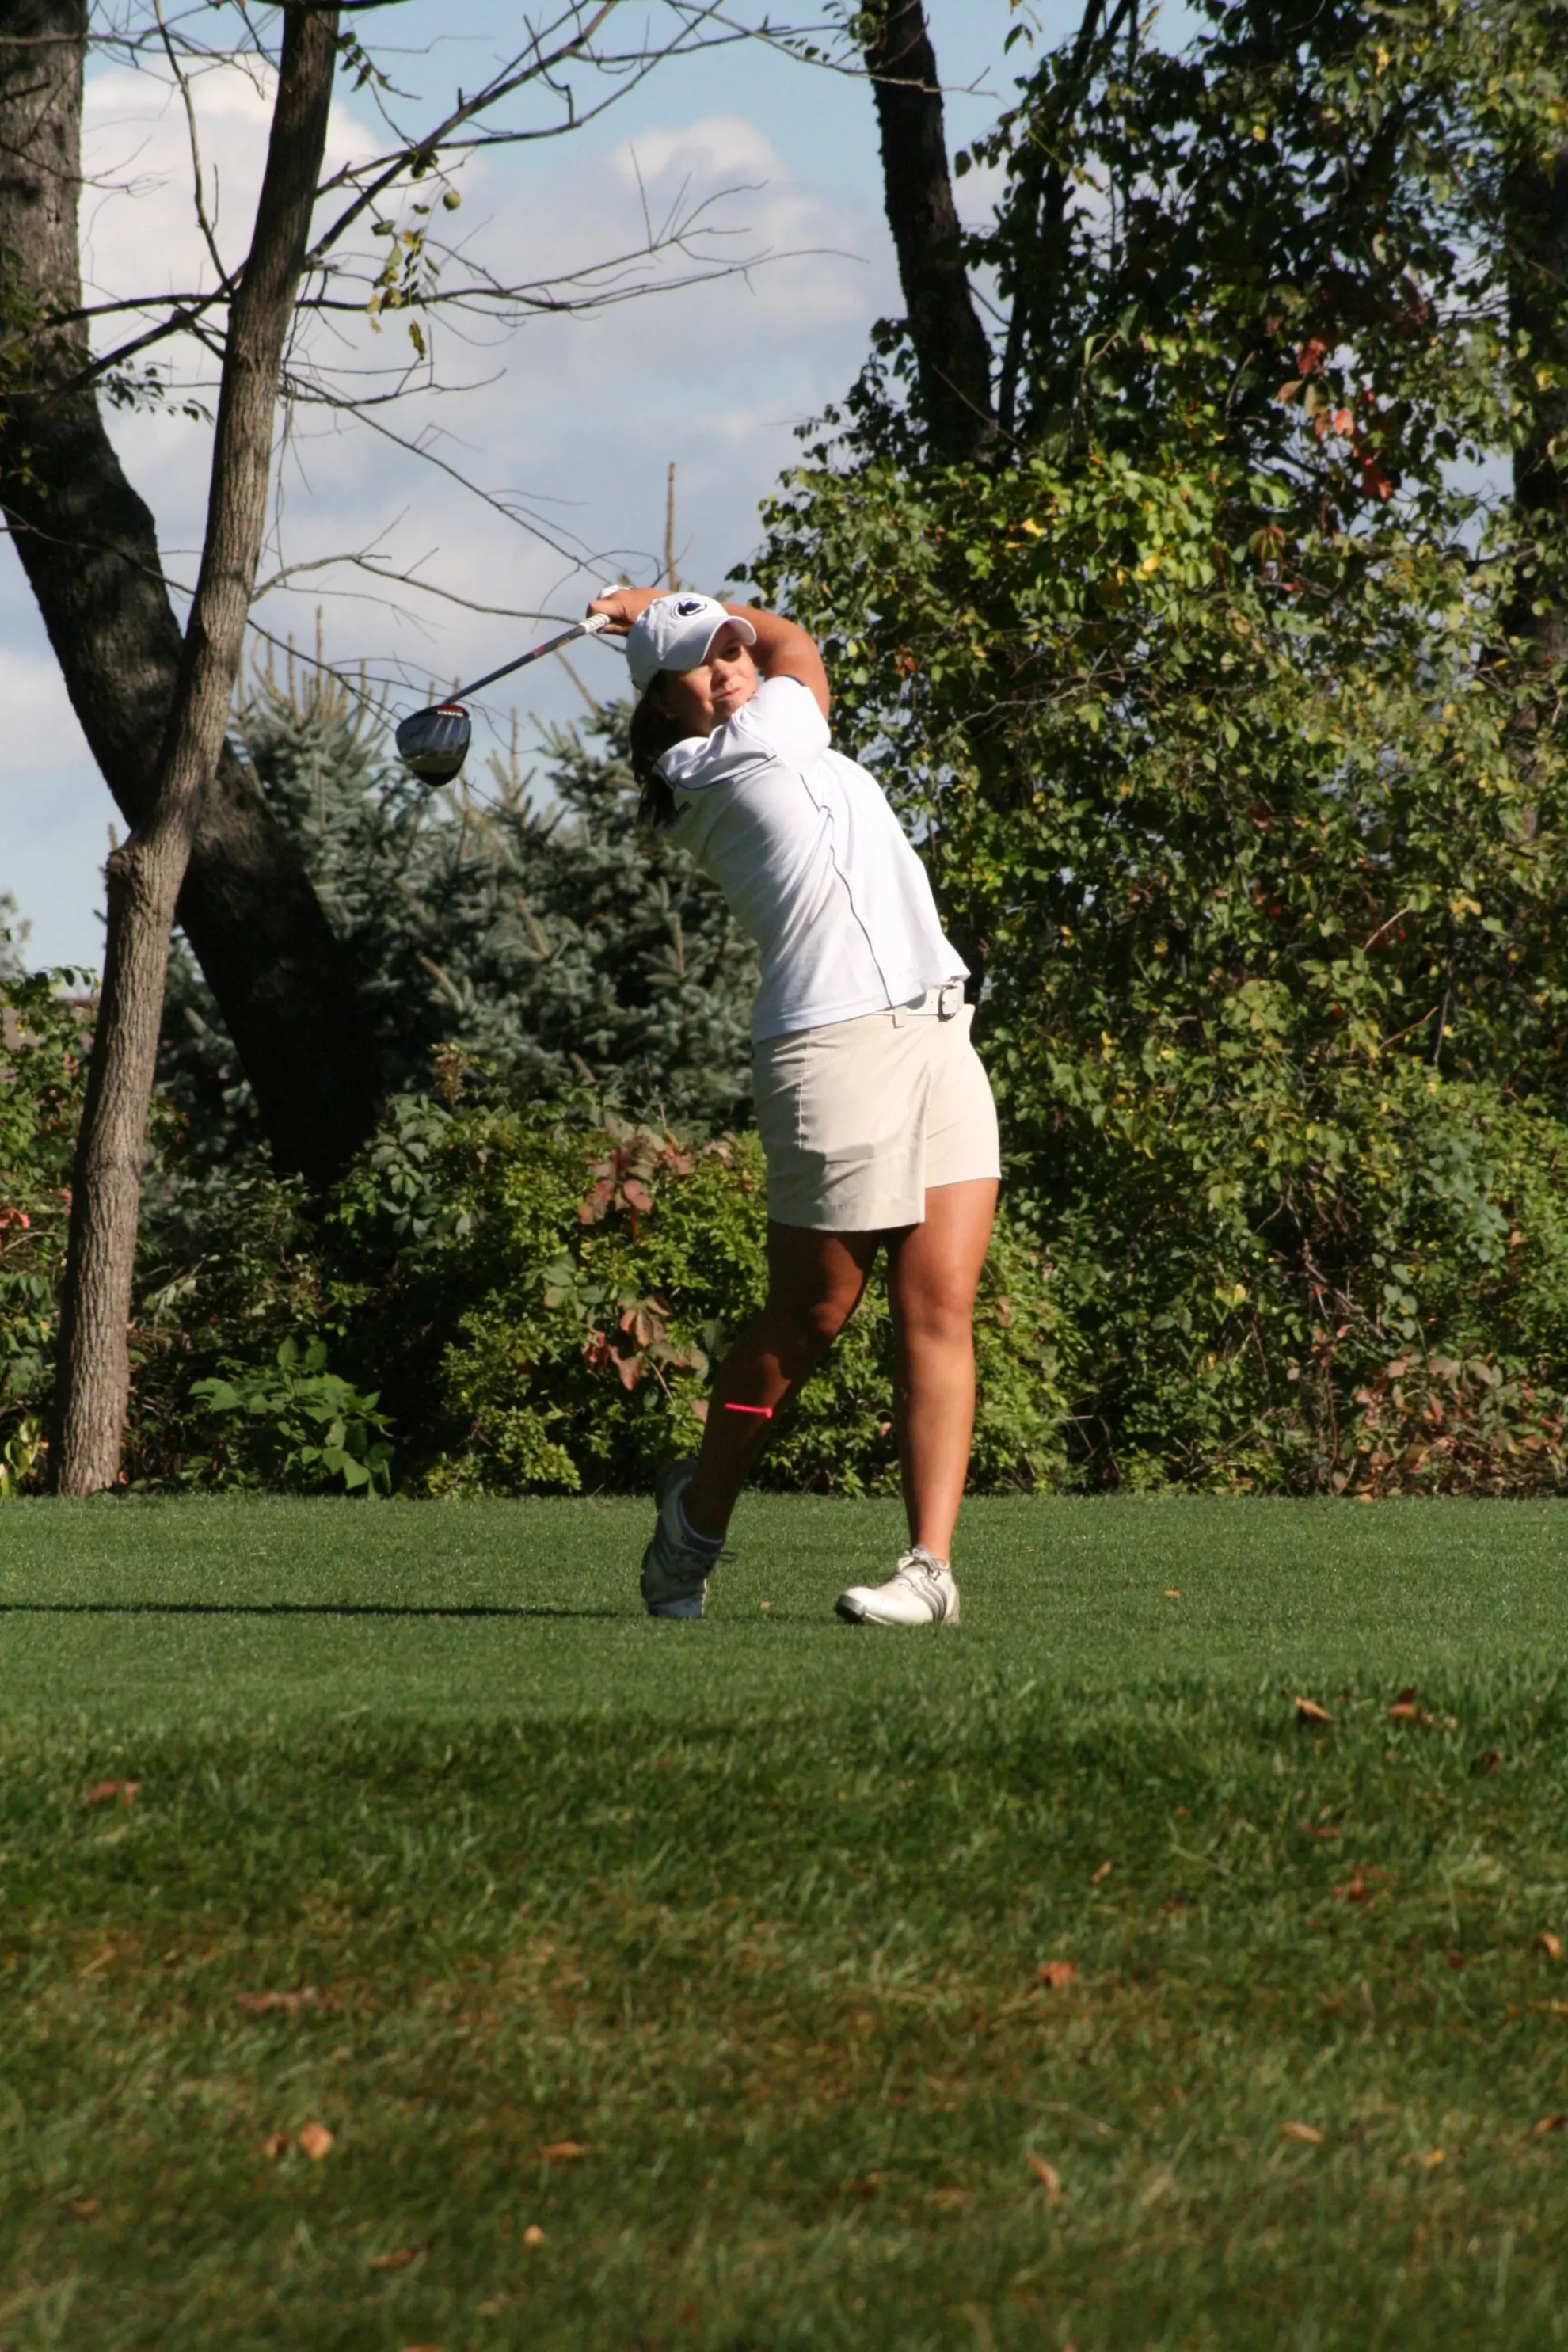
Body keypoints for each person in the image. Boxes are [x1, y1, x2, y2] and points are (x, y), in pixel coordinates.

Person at [587, 585, 1000, 1627]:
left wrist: (670, 608)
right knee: (807, 1319)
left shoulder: (780, 728)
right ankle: (698, 1512)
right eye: (700, 661)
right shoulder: (711, 765)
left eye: (729, 648)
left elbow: (780, 648)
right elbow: (797, 643)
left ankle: (930, 1570)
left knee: (939, 1303)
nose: (729, 663)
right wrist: (673, 605)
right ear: (663, 705)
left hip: (936, 1028)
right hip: (831, 1049)